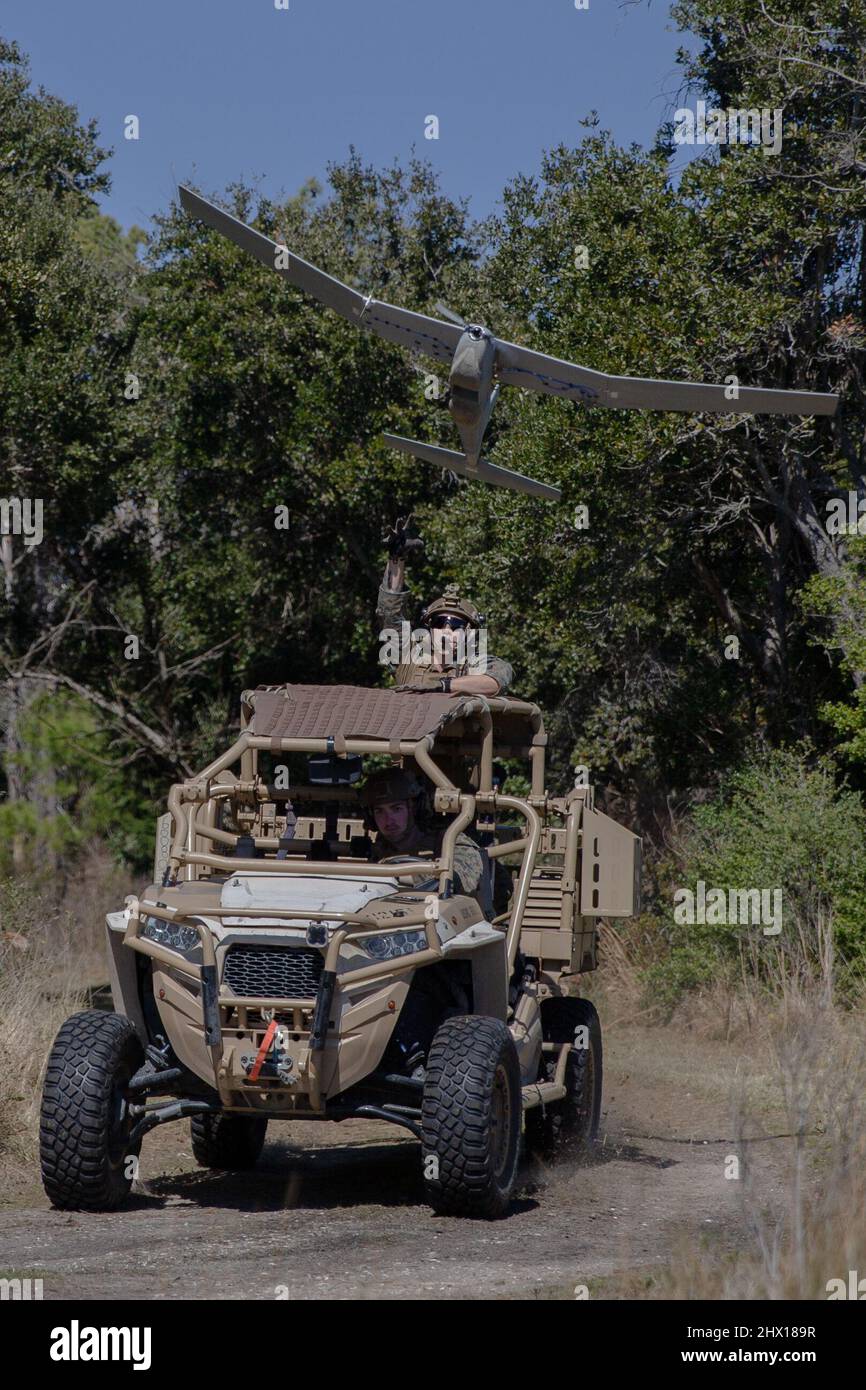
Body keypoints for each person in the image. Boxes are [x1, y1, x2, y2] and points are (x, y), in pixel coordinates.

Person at [376, 515, 513, 695]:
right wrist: (396, 557)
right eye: (440, 623)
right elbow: (390, 612)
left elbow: (496, 681)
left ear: (469, 632)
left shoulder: (473, 664)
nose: (447, 631)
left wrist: (444, 685)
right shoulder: (407, 656)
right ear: (431, 628)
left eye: (457, 625)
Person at [359, 767, 487, 907]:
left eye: (396, 809)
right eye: (379, 811)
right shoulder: (377, 850)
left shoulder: (448, 841)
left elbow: (463, 874)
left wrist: (399, 876)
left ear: (414, 808)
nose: (388, 820)